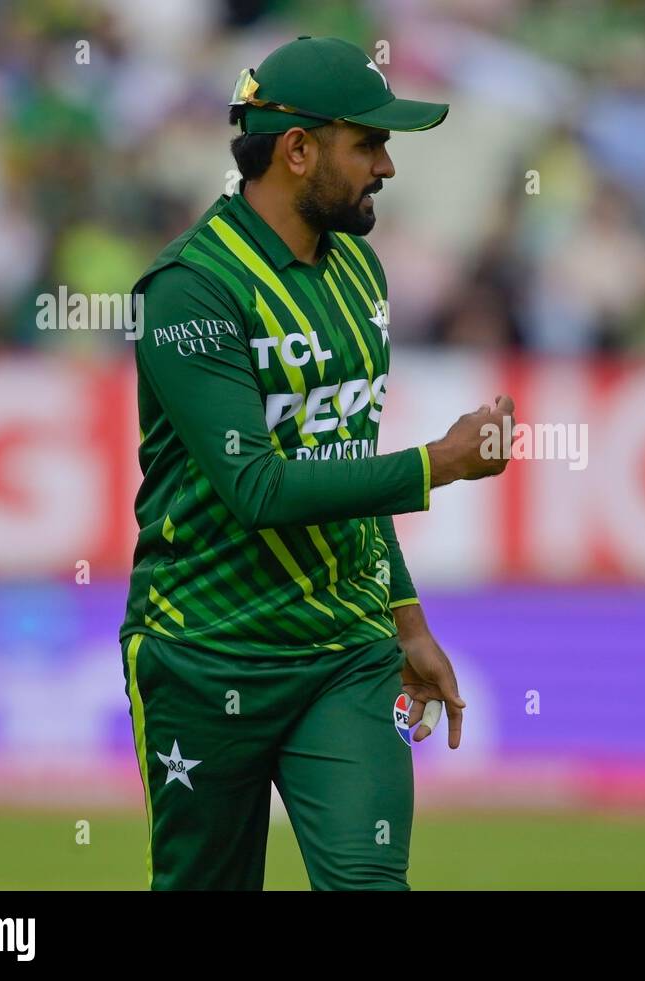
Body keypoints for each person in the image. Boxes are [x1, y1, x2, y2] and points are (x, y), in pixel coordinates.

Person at [118, 36, 514, 890]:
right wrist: (438, 463)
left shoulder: (358, 272)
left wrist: (406, 618)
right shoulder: (189, 290)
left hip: (345, 651)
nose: (386, 166)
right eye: (367, 143)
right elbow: (257, 487)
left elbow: (343, 458)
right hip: (204, 651)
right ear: (297, 149)